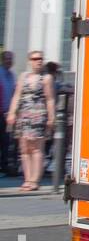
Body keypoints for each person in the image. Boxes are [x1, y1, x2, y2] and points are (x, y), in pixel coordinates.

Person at [7, 50, 55, 191]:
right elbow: (17, 96)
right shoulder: (23, 77)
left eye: (40, 58)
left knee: (36, 149)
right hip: (24, 116)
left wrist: (51, 118)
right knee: (24, 149)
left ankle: (35, 180)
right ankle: (27, 179)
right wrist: (12, 113)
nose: (38, 61)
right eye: (35, 59)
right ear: (30, 61)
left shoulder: (46, 78)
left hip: (39, 116)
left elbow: (50, 99)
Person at [0, 50, 14, 176]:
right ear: (2, 59)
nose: (9, 61)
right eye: (7, 58)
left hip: (6, 114)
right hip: (1, 112)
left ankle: (3, 166)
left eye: (11, 59)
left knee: (5, 141)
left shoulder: (12, 75)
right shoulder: (0, 73)